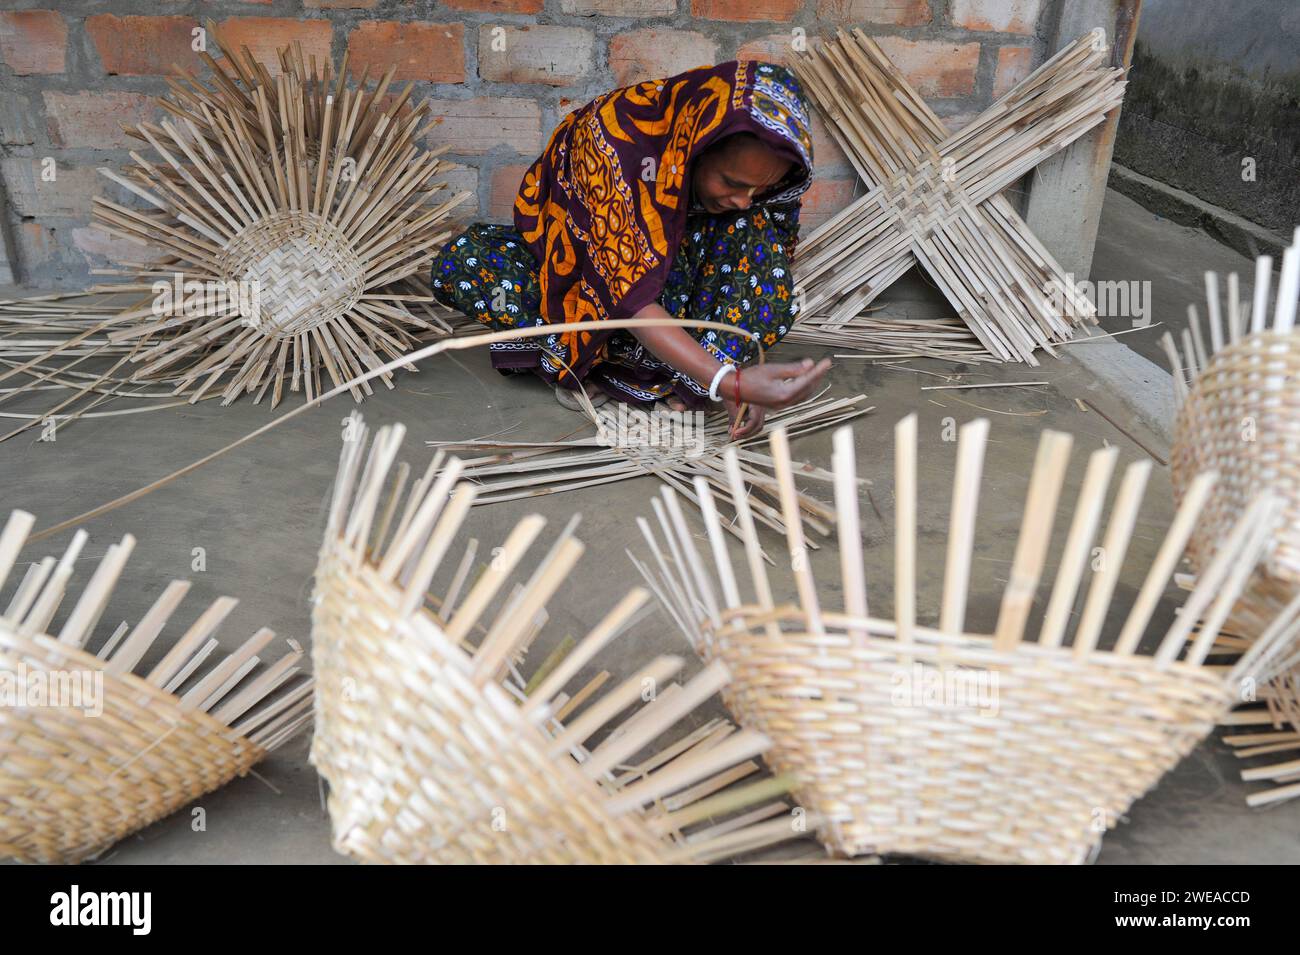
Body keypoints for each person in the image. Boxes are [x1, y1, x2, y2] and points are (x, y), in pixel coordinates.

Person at [431, 60, 831, 439]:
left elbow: (768, 262)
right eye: (731, 182)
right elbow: (629, 295)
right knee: (466, 262)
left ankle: (688, 370)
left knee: (760, 250)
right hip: (590, 287)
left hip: (678, 303)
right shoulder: (611, 138)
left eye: (758, 189)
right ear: (694, 147)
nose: (744, 199)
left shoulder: (748, 198)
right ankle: (605, 363)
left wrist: (731, 376)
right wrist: (728, 380)